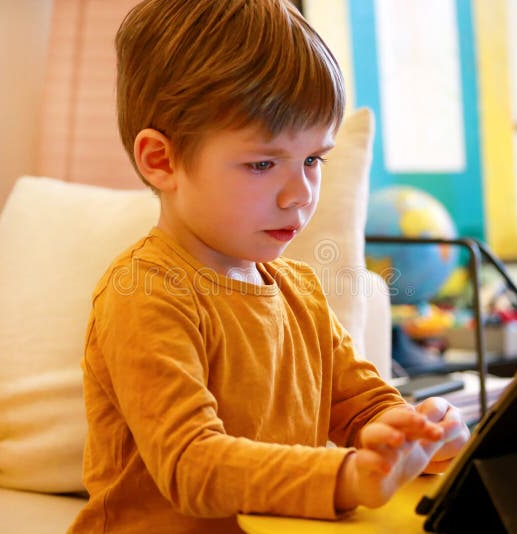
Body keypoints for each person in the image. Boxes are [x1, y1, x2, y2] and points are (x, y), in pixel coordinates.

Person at [69, 0, 469, 532]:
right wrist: (345, 477)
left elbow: (363, 403)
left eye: (313, 160)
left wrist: (412, 433)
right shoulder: (144, 293)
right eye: (262, 163)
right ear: (161, 160)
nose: (299, 194)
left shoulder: (299, 289)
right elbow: (192, 464)